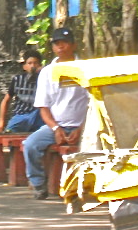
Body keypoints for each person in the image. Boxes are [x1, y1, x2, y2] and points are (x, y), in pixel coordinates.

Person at [23, 27, 90, 200]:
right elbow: (43, 106)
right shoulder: (46, 72)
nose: (61, 47)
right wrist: (55, 128)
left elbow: (94, 103)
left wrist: (82, 128)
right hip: (56, 125)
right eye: (57, 43)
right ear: (53, 47)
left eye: (65, 43)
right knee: (30, 145)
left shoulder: (84, 68)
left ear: (73, 45)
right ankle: (38, 184)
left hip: (85, 125)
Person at [0, 49, 44, 133]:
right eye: (29, 63)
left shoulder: (45, 80)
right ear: (24, 66)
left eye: (35, 63)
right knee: (9, 133)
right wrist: (1, 124)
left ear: (40, 65)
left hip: (38, 116)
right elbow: (6, 100)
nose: (32, 66)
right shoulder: (17, 80)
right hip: (20, 116)